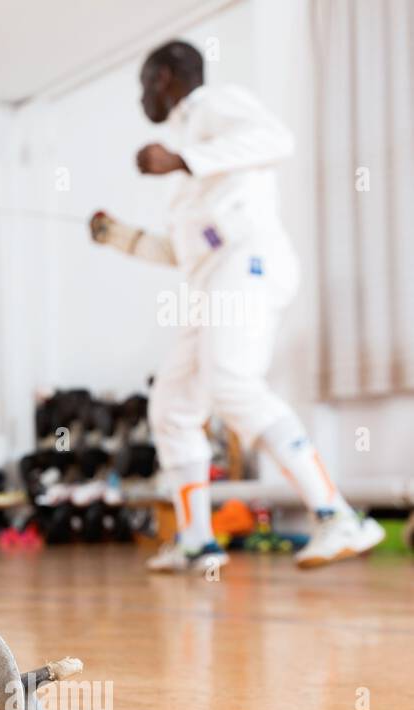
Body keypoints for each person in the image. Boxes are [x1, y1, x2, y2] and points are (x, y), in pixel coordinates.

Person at [89, 39, 382, 572]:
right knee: (173, 407)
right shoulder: (189, 156)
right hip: (210, 285)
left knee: (233, 382)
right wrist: (118, 236)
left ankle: (338, 515)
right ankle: (198, 540)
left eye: (143, 85)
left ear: (166, 77)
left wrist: (181, 158)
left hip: (247, 264)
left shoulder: (214, 105)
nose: (140, 100)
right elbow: (183, 251)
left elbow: (277, 138)